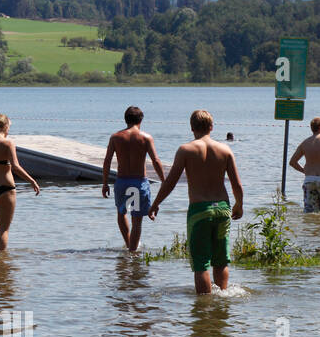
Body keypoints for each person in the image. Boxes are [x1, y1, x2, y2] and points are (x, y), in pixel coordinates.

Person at [149, 110, 244, 295]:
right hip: (223, 210)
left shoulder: (186, 150)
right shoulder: (225, 150)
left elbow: (170, 182)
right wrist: (239, 204)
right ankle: (222, 301)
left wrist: (156, 203)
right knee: (221, 261)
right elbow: (237, 184)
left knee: (201, 265)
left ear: (192, 128)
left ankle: (205, 308)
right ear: (211, 127)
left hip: (200, 210)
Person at [102, 105, 166, 252]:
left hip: (122, 181)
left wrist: (105, 183)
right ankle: (133, 250)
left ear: (125, 119)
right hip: (138, 182)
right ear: (141, 120)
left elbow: (107, 161)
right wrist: (163, 180)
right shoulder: (146, 137)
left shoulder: (115, 137)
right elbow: (156, 160)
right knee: (137, 219)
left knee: (121, 212)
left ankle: (129, 244)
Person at [0, 114, 41, 251]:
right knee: (5, 228)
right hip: (5, 188)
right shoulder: (8, 143)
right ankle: (1, 263)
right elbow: (15, 167)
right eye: (9, 126)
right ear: (5, 127)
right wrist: (32, 180)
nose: (9, 129)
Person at [288, 115, 320, 213]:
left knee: (310, 212)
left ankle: (311, 228)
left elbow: (292, 162)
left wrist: (305, 171)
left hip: (309, 180)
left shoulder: (305, 143)